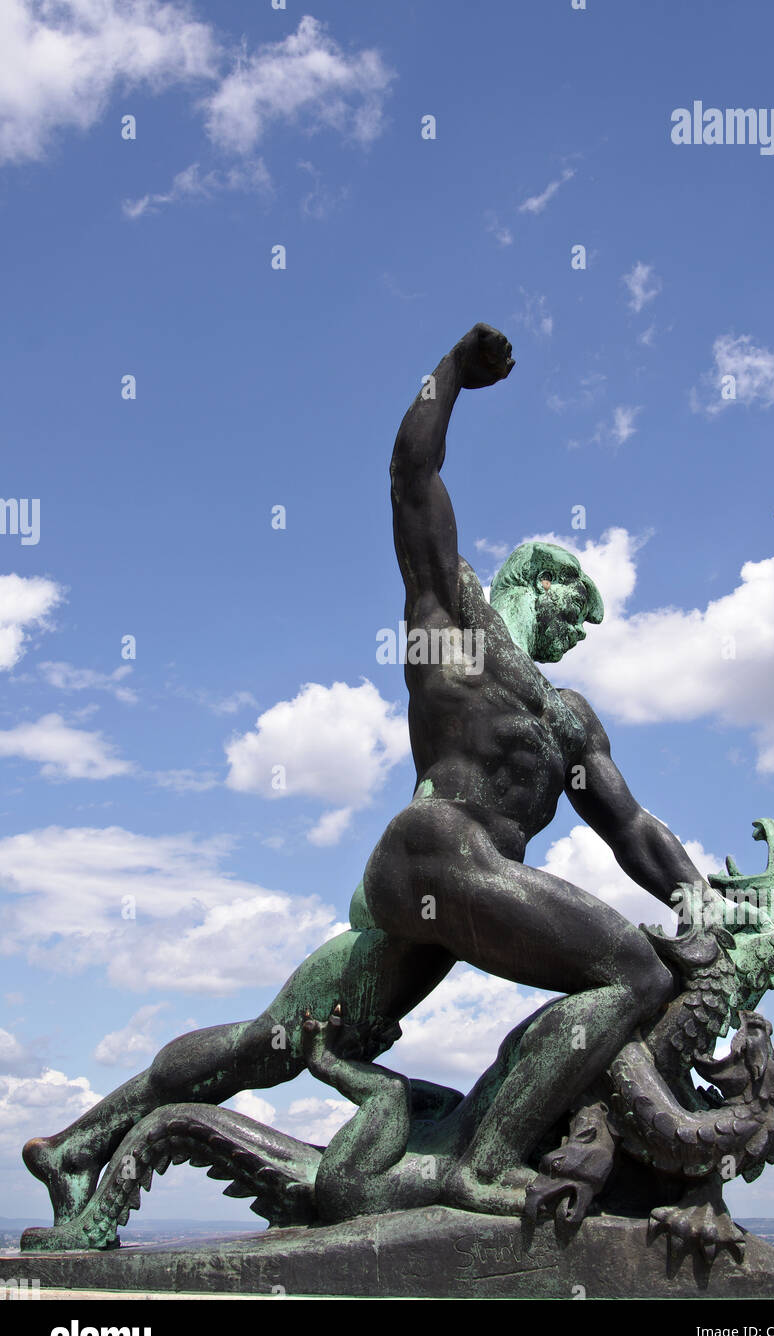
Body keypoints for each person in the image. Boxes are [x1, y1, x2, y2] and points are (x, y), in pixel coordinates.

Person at [24, 323, 716, 1224]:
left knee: (271, 1041)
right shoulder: (453, 623)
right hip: (431, 852)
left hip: (457, 897)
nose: (574, 635)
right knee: (632, 971)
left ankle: (76, 1144)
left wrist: (705, 901)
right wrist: (450, 378)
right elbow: (410, 481)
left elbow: (633, 829)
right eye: (570, 610)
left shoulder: (570, 718)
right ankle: (484, 1165)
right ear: (535, 581)